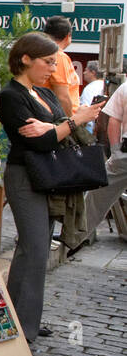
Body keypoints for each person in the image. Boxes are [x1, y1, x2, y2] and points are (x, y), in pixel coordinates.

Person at [0, 32, 102, 341]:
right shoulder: (10, 96)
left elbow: (56, 131)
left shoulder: (45, 93)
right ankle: (21, 326)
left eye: (55, 62)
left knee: (35, 250)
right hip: (25, 176)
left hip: (49, 177)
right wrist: (71, 122)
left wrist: (55, 126)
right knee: (35, 247)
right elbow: (41, 141)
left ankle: (22, 319)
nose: (53, 69)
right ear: (26, 58)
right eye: (48, 62)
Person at [62, 78, 127, 253]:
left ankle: (75, 237)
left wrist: (116, 151)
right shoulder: (125, 88)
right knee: (98, 194)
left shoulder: (125, 87)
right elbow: (114, 120)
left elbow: (114, 120)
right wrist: (116, 151)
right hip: (123, 156)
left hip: (124, 155)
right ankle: (75, 237)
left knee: (97, 195)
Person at [44, 16, 81, 117]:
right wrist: (70, 122)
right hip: (58, 118)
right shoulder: (59, 56)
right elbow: (62, 97)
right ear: (68, 36)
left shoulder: (43, 53)